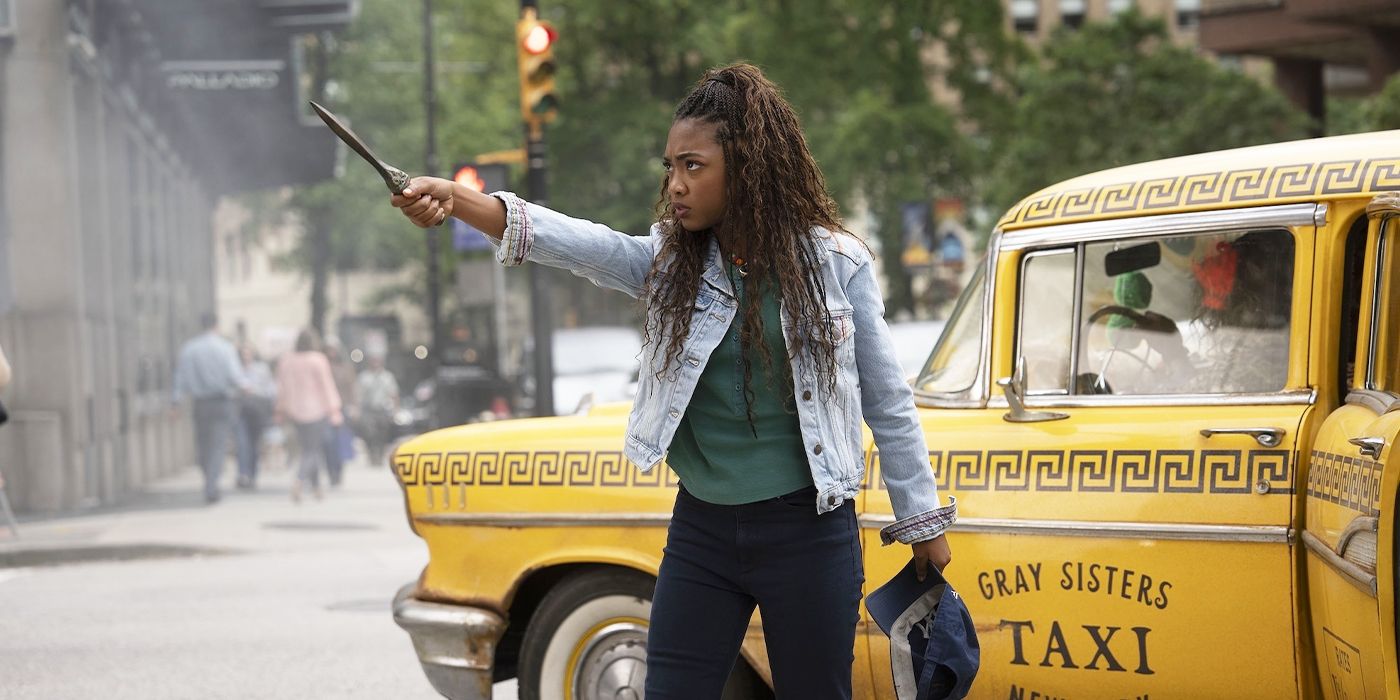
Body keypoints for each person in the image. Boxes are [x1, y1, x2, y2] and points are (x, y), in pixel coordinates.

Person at [390, 64, 956, 699]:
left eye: (694, 166)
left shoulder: (835, 264)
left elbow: (888, 400)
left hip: (808, 532)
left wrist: (923, 520)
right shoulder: (670, 262)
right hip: (703, 531)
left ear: (747, 168)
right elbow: (573, 242)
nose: (676, 184)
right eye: (671, 167)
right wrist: (457, 198)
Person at [173, 312, 247, 504]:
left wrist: (176, 401)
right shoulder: (225, 348)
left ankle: (209, 480)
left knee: (203, 444)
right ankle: (211, 484)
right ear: (216, 325)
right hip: (222, 402)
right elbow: (235, 376)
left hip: (200, 403)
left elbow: (180, 377)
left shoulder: (189, 349)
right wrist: (246, 387)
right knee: (218, 445)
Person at [274, 328, 343, 503]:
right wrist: (334, 409)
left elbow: (281, 387)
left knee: (309, 448)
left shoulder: (286, 361)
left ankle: (316, 487)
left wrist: (280, 409)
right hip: (316, 410)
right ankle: (299, 480)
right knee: (312, 450)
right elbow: (326, 386)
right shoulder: (318, 360)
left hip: (294, 411)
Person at [234, 345, 277, 490]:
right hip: (240, 410)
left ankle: (252, 475)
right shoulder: (234, 368)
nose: (245, 357)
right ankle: (243, 474)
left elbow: (271, 388)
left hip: (257, 410)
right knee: (242, 443)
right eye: (243, 354)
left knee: (254, 444)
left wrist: (256, 391)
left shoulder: (261, 369)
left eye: (248, 353)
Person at [355, 353, 400, 466]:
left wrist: (395, 410)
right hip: (368, 410)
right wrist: (357, 409)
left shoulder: (387, 377)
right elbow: (358, 394)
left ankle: (380, 455)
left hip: (382, 409)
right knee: (369, 434)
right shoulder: (364, 377)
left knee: (383, 434)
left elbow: (394, 394)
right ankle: (372, 453)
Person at [323, 341, 357, 484]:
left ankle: (338, 472)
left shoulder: (346, 368)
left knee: (340, 441)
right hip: (326, 409)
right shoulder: (322, 367)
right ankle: (331, 471)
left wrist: (354, 406)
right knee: (328, 442)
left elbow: (352, 388)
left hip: (342, 408)